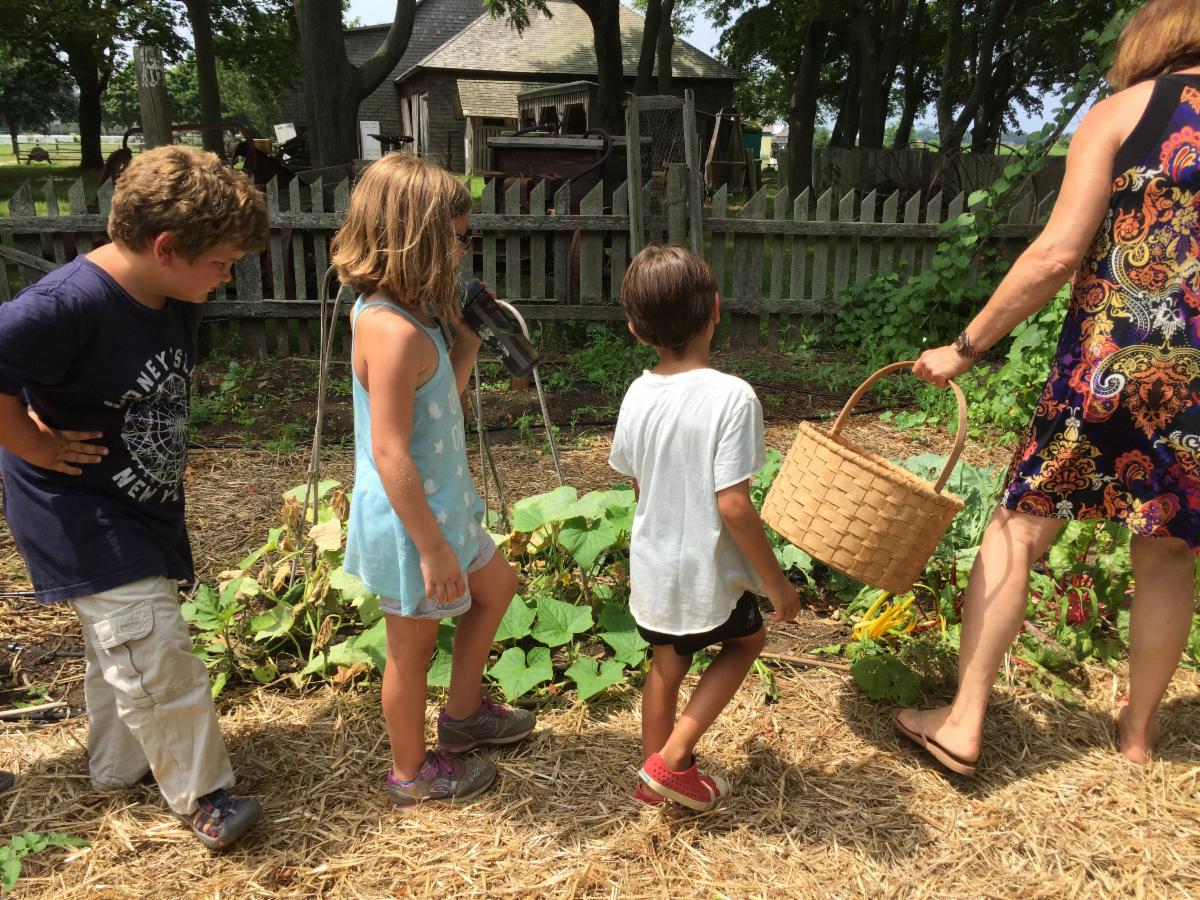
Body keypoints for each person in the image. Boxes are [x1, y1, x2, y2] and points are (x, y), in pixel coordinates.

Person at [896, 0, 1200, 774]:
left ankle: (963, 721)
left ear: (1151, 40)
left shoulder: (1124, 113)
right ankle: (1137, 739)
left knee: (1019, 528)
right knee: (1167, 553)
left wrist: (966, 347)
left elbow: (1058, 252)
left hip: (1109, 365)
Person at [0, 146, 268, 849]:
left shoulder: (172, 293)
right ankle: (204, 796)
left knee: (119, 645)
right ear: (167, 247)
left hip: (136, 502)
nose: (227, 276)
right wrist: (35, 446)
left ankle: (120, 769)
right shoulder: (67, 304)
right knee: (152, 645)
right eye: (221, 263)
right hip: (78, 508)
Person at [331, 154, 534, 807]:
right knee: (410, 651)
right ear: (413, 238)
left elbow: (441, 403)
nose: (463, 251)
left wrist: (468, 342)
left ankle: (464, 714)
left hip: (444, 509)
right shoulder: (390, 331)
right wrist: (432, 549)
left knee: (497, 587)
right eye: (456, 238)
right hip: (412, 526)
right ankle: (411, 774)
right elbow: (390, 450)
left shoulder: (411, 316)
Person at [609, 245, 800, 811]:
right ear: (716, 308)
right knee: (747, 642)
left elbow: (638, 483)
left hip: (653, 567)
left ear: (636, 330)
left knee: (666, 666)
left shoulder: (637, 393)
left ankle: (654, 786)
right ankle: (671, 761)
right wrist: (775, 583)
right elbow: (734, 505)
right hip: (704, 573)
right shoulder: (732, 396)